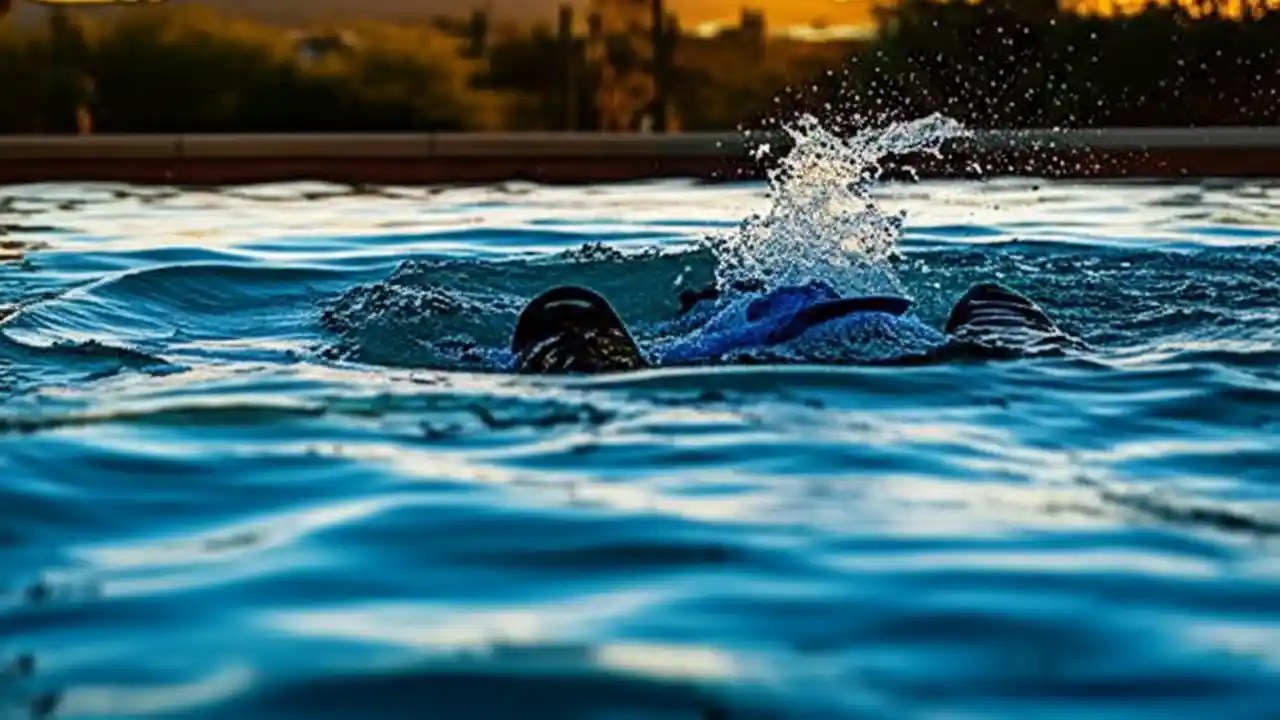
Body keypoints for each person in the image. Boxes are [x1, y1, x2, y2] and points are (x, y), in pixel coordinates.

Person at [511, 281, 1072, 374]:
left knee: (570, 316)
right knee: (986, 303)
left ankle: (582, 365)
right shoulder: (722, 322)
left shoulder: (707, 328)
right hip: (920, 355)